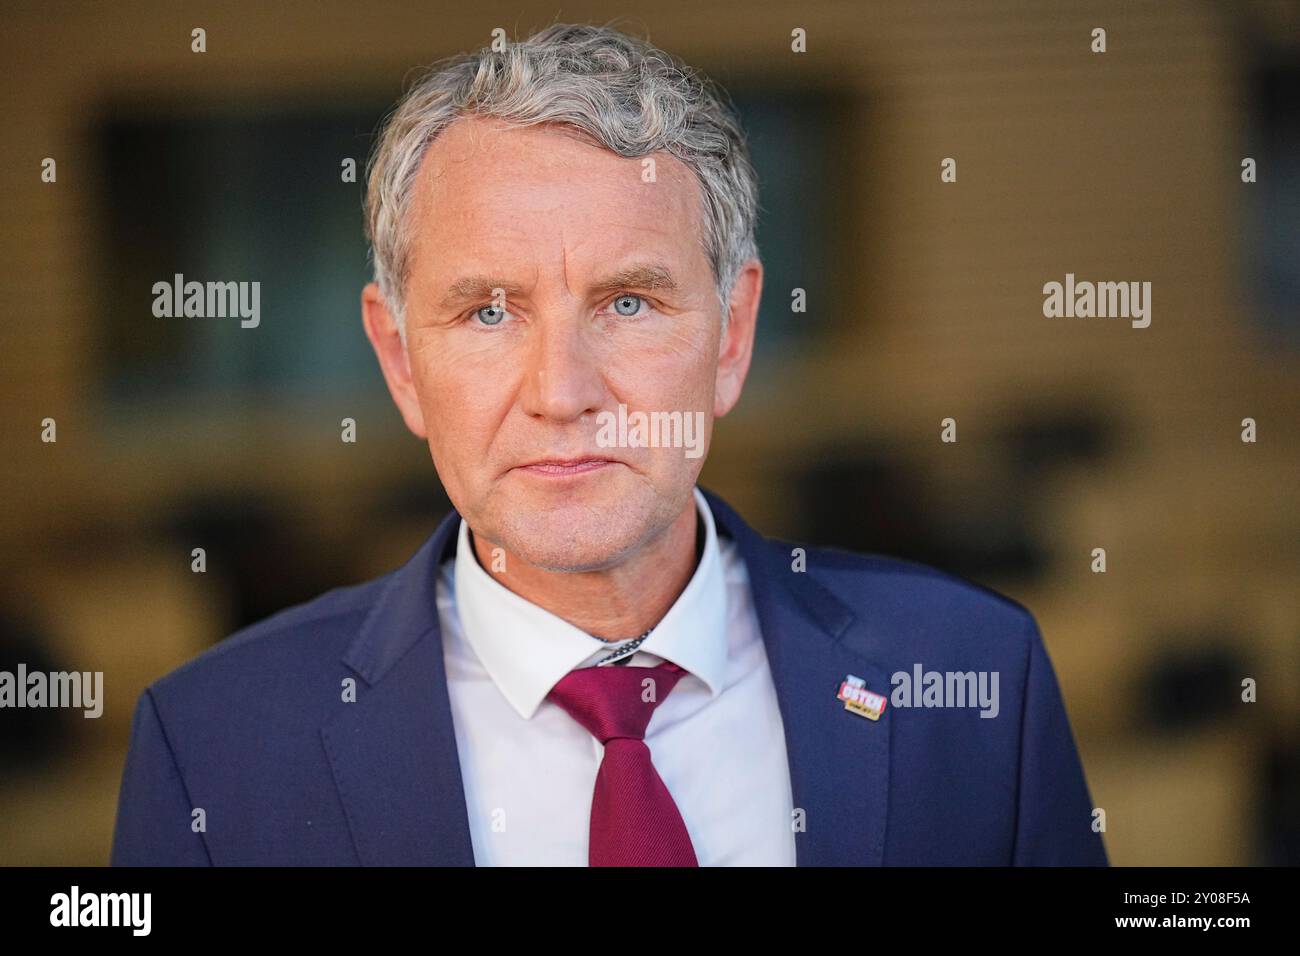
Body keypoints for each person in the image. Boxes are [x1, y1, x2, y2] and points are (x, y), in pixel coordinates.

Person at [111, 22, 1107, 866]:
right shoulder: (213, 746)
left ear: (733, 334)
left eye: (628, 301)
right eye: (488, 312)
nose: (562, 392)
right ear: (400, 359)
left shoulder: (978, 676)